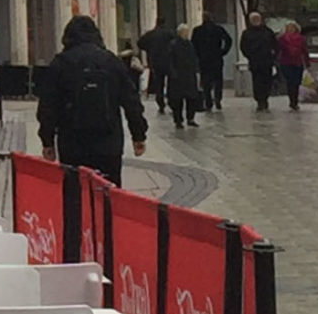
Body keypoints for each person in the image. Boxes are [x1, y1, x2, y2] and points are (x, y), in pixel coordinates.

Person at [37, 13, 148, 186]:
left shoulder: (60, 64)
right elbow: (131, 101)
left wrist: (47, 140)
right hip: (108, 142)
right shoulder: (111, 61)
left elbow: (47, 106)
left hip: (72, 142)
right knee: (108, 192)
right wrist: (138, 134)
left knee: (74, 192)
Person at [164, 23, 204, 128]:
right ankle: (178, 120)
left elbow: (194, 58)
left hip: (189, 75)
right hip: (177, 76)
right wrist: (173, 73)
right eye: (185, 32)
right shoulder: (173, 45)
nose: (186, 34)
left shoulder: (189, 44)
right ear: (180, 33)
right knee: (177, 100)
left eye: (187, 32)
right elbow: (170, 60)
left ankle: (190, 118)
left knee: (191, 98)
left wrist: (196, 70)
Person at [191, 12, 233, 111]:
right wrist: (223, 51)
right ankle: (218, 99)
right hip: (216, 58)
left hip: (204, 59)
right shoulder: (218, 29)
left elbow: (193, 44)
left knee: (206, 81)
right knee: (218, 80)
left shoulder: (197, 30)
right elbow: (228, 40)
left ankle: (208, 101)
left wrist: (198, 55)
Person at [239, 11, 278, 110]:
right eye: (254, 19)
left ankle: (265, 98)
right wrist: (249, 56)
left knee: (267, 81)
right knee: (257, 81)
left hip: (267, 61)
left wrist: (273, 56)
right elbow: (243, 47)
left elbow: (275, 45)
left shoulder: (268, 31)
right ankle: (260, 100)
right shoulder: (247, 33)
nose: (256, 21)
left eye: (257, 19)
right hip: (255, 61)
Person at [138, 21, 176, 118]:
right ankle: (172, 102)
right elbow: (175, 43)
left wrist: (148, 49)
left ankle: (161, 103)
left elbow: (140, 43)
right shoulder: (169, 33)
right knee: (171, 82)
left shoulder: (150, 34)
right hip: (168, 61)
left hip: (155, 61)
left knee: (158, 83)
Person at [275, 18, 308, 109]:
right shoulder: (282, 39)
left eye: (292, 27)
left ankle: (295, 100)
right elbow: (278, 50)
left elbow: (304, 50)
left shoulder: (301, 39)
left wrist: (307, 61)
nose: (290, 29)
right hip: (286, 63)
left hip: (298, 63)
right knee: (290, 82)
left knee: (296, 82)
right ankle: (292, 101)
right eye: (288, 27)